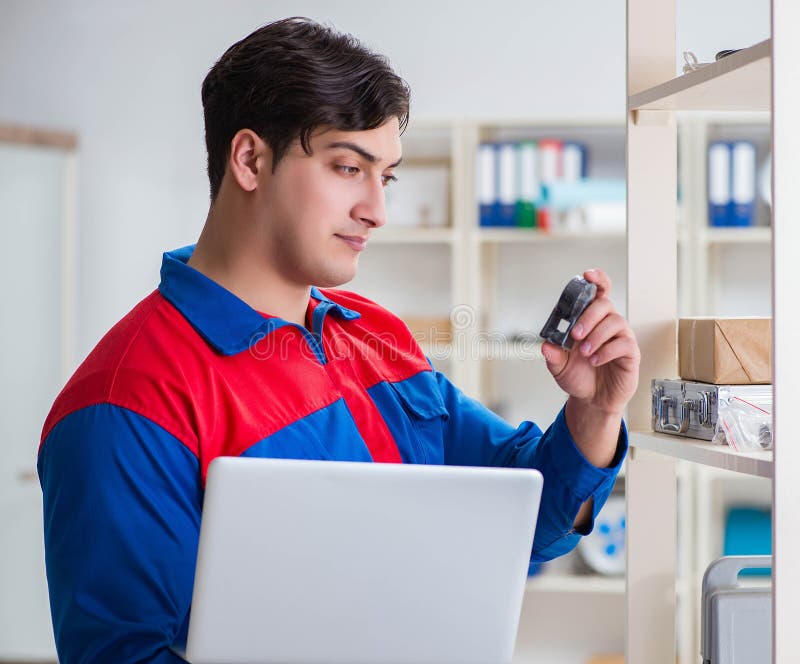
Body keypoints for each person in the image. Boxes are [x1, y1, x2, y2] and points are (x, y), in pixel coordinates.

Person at [38, 16, 640, 663]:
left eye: (387, 177)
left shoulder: (371, 333)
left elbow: (521, 515)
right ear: (249, 159)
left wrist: (593, 411)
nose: (377, 210)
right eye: (349, 167)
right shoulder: (126, 403)